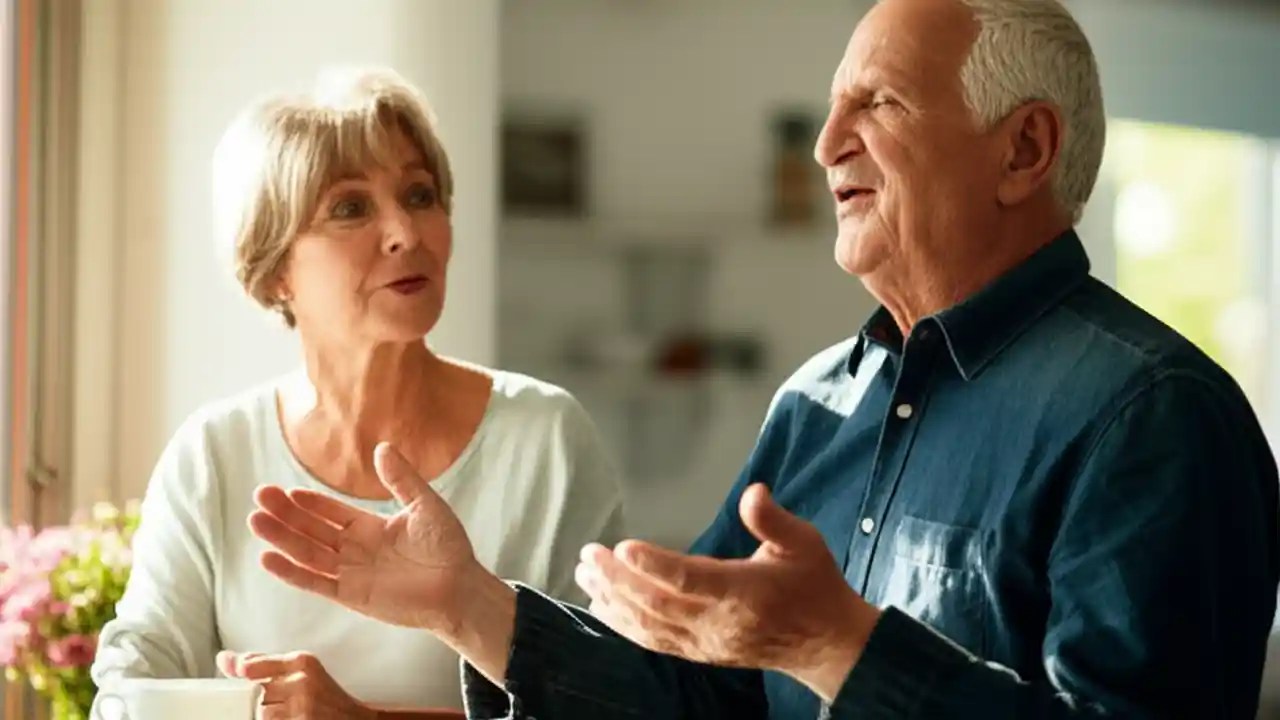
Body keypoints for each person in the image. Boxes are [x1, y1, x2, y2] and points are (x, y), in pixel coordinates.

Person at [245, 0, 1280, 717]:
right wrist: (467, 605)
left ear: (1023, 151)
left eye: (878, 103)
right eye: (831, 108)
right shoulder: (816, 402)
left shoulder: (1155, 414)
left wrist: (837, 648)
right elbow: (694, 696)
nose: (825, 144)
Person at [89, 66, 627, 718]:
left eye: (420, 195)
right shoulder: (213, 454)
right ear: (275, 269)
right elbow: (133, 681)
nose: (406, 233)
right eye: (350, 208)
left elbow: (613, 706)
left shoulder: (546, 440)